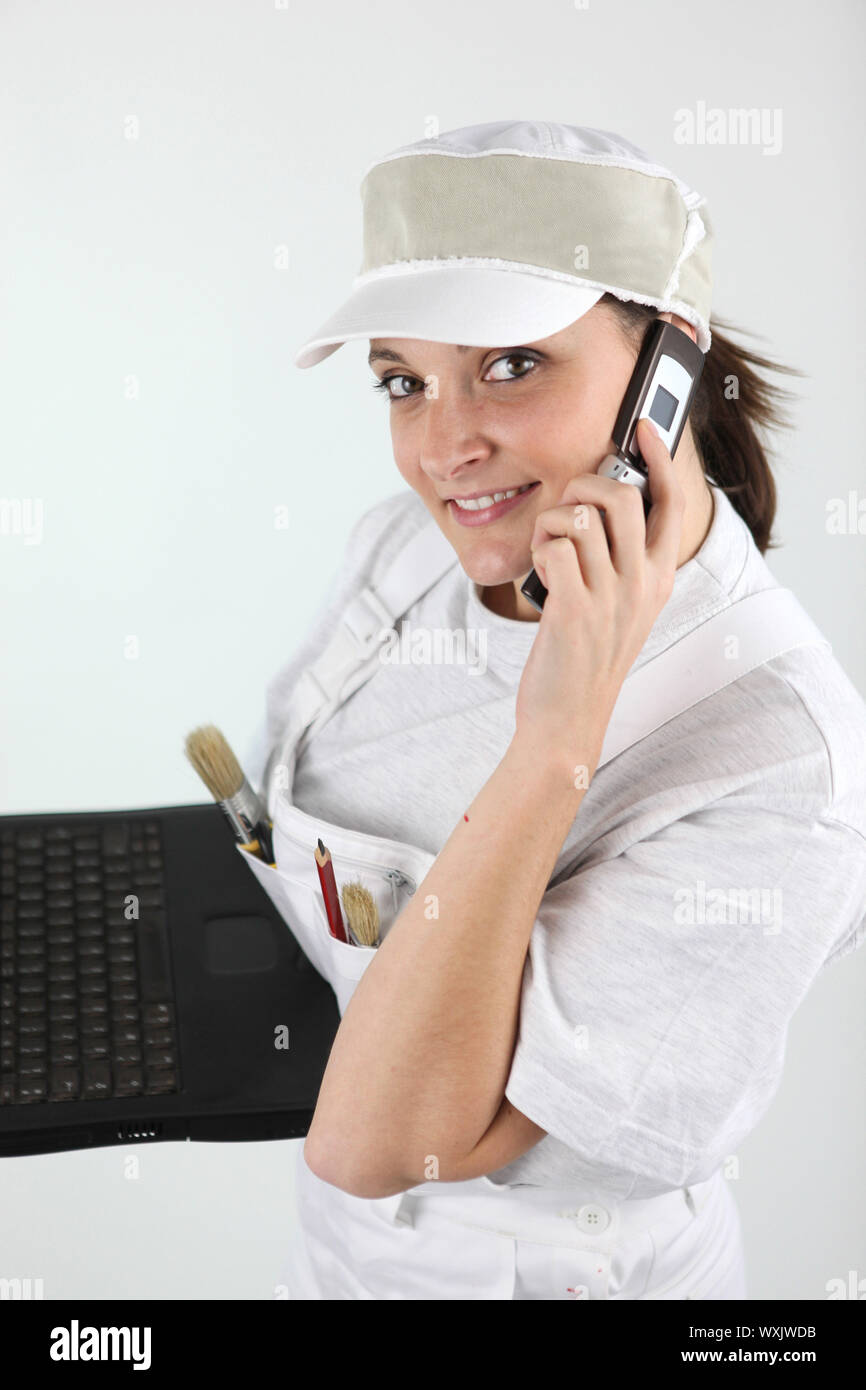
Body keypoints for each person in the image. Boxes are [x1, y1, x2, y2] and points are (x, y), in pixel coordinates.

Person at [259, 121, 866, 1300]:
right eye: (402, 381)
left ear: (667, 367)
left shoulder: (780, 762)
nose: (444, 448)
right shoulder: (412, 551)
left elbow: (376, 1144)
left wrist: (554, 745)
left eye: (509, 364)